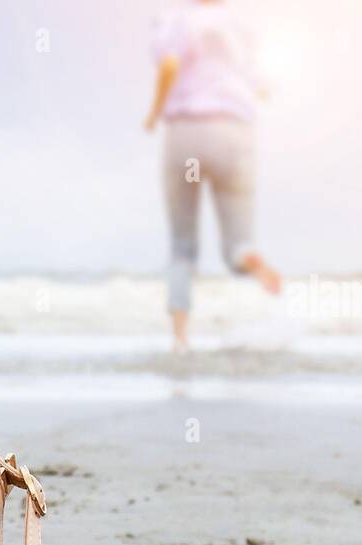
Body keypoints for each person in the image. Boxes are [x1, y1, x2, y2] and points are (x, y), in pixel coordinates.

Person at [144, 0, 281, 353]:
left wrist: (154, 113)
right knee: (237, 243)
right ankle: (247, 255)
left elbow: (170, 64)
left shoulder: (176, 21)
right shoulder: (243, 27)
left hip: (186, 132)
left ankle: (180, 340)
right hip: (233, 132)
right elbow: (263, 85)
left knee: (182, 247)